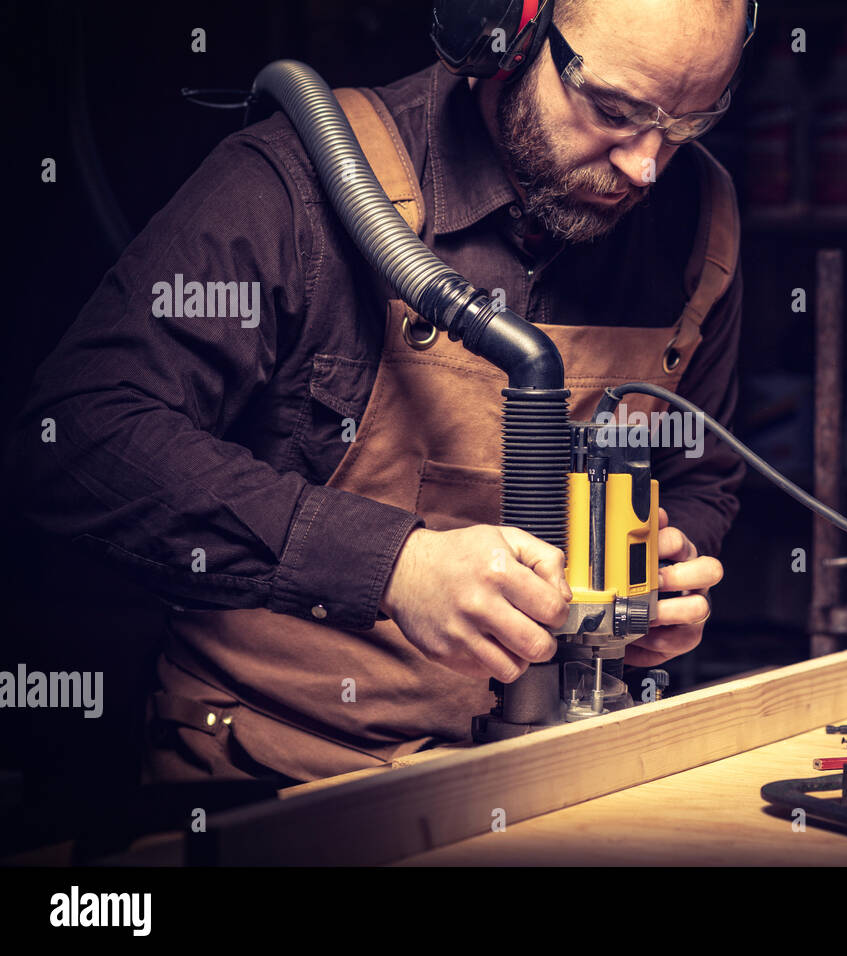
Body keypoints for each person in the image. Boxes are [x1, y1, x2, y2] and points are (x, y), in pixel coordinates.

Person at [10, 0, 751, 783]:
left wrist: (667, 572)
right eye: (616, 111)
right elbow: (77, 434)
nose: (646, 166)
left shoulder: (698, 221)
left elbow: (703, 476)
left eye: (688, 124)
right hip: (278, 778)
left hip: (554, 781)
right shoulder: (297, 183)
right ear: (505, 32)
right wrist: (396, 567)